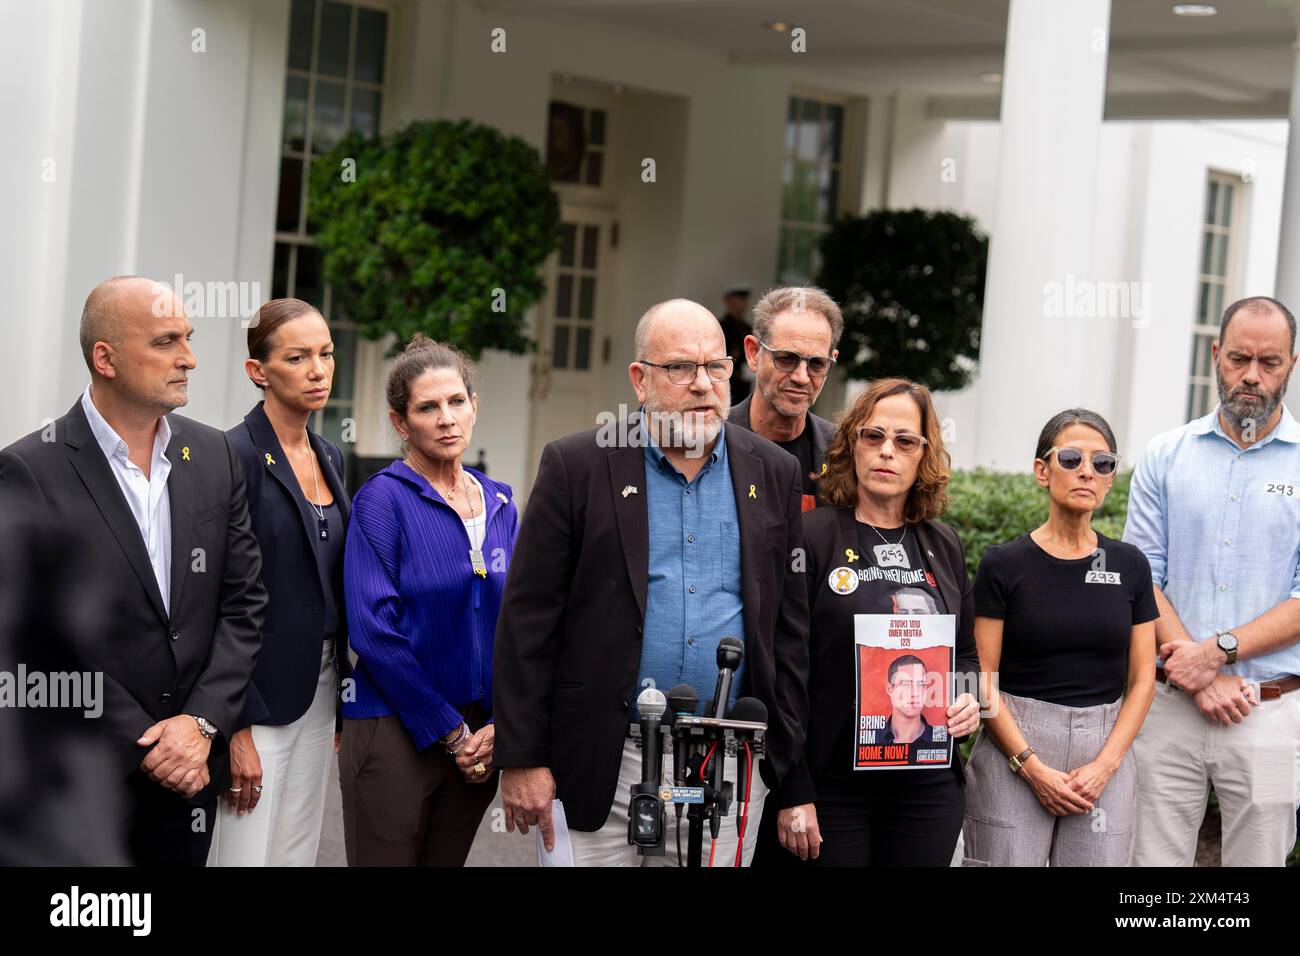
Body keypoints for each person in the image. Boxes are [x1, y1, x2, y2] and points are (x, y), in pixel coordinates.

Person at [493, 298, 810, 867]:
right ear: (640, 380)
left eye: (715, 367)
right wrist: (521, 754)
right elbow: (527, 618)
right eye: (680, 368)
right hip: (602, 761)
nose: (702, 384)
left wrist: (791, 777)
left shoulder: (774, 471)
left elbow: (787, 633)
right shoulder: (578, 465)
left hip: (727, 763)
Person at [0, 275, 266, 866]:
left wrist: (199, 725)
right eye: (167, 341)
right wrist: (150, 745)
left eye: (189, 339)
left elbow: (244, 604)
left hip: (193, 774)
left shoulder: (215, 455)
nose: (190, 358)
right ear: (106, 357)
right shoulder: (29, 469)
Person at [760, 377, 981, 867]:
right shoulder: (811, 536)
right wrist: (792, 787)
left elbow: (964, 653)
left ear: (924, 455)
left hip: (926, 787)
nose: (887, 452)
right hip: (830, 785)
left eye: (905, 441)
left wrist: (969, 701)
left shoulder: (944, 544)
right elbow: (780, 666)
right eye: (873, 436)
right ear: (851, 444)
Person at [1124, 295, 1300, 867]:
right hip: (1170, 706)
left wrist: (1218, 652)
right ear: (1216, 354)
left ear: (1291, 364)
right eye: (1240, 358)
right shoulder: (1165, 456)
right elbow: (1141, 577)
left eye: (1269, 362)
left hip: (1271, 709)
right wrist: (1198, 676)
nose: (1252, 375)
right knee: (1151, 873)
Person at [341, 335, 517, 866]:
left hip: (478, 738)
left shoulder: (501, 500)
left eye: (456, 402)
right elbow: (372, 630)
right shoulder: (382, 500)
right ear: (401, 423)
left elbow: (520, 620)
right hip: (394, 726)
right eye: (427, 407)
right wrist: (451, 730)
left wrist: (493, 727)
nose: (446, 418)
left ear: (474, 406)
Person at [962, 409, 1157, 867]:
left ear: (1111, 478)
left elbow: (1144, 678)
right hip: (1014, 745)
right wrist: (1029, 765)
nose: (1087, 470)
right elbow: (979, 678)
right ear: (1041, 471)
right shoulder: (1003, 563)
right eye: (1070, 458)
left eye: (1103, 462)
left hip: (1104, 751)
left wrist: (1105, 765)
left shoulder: (1130, 565)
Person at [207, 298, 351, 867]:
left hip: (321, 689)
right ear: (258, 371)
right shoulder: (229, 454)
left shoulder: (331, 456)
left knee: (296, 855)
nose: (318, 369)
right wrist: (233, 723)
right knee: (242, 857)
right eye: (298, 357)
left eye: (326, 354)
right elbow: (211, 595)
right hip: (256, 695)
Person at [729, 285, 841, 511]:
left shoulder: (843, 452)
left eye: (817, 363)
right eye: (787, 358)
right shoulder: (711, 442)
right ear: (753, 353)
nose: (801, 377)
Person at [881, 656, 937, 745]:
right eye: (906, 684)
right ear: (890, 689)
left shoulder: (940, 739)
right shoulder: (871, 739)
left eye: (921, 684)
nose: (915, 693)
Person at [717, 283, 755, 404]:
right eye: (738, 298)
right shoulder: (720, 326)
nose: (742, 303)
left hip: (743, 387)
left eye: (744, 299)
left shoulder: (747, 328)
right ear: (728, 300)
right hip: (725, 383)